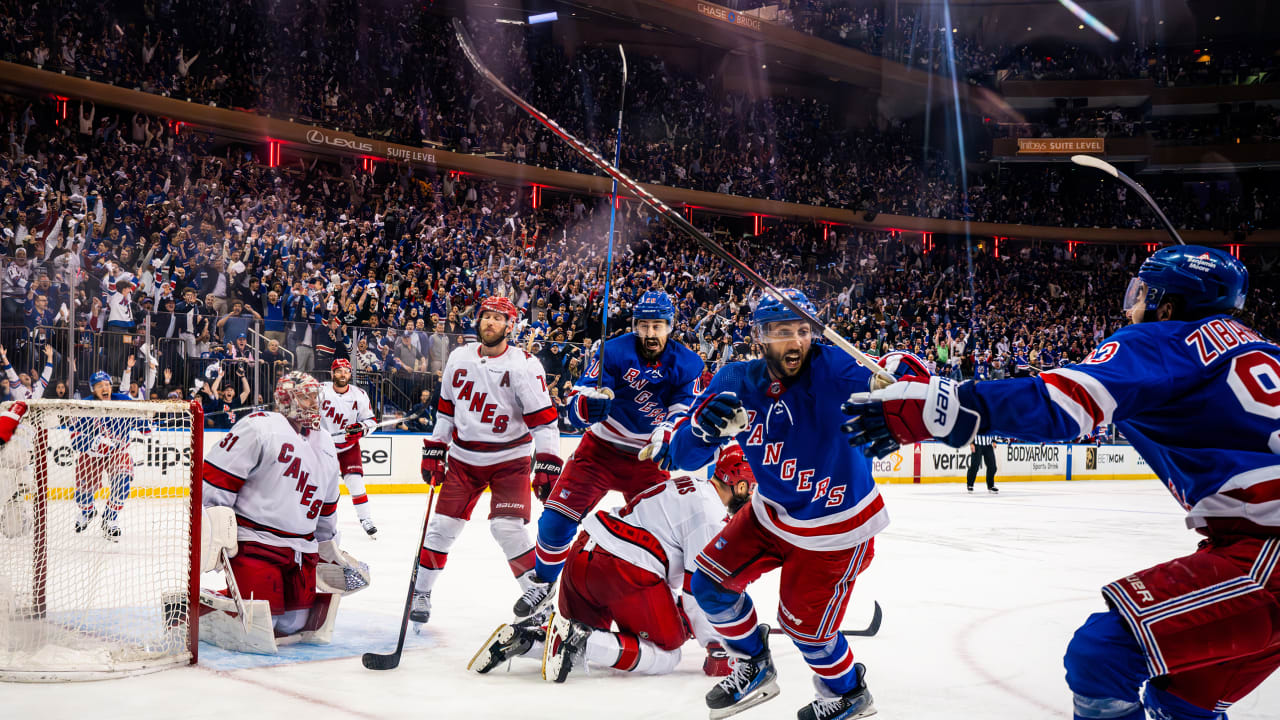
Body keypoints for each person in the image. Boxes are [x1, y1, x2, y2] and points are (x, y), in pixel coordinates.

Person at [842, 246, 1279, 720]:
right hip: (1249, 542)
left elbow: (1056, 404)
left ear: (1165, 304)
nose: (1131, 307)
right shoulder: (1260, 346)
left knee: (1102, 655)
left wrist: (938, 408)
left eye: (1141, 294)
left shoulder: (1162, 341)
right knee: (1181, 700)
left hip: (1267, 549)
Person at [654, 289, 926, 720]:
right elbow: (684, 458)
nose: (795, 341)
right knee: (708, 585)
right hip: (771, 514)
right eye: (782, 332)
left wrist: (903, 371)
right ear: (760, 337)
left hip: (837, 530)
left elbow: (892, 378)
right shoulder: (733, 381)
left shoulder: (832, 367)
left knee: (808, 631)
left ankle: (850, 692)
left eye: (803, 331)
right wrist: (703, 431)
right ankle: (753, 664)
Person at [468, 445, 755, 683]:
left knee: (588, 648)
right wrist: (715, 645)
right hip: (624, 572)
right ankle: (578, 638)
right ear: (739, 484)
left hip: (581, 560)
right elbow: (697, 593)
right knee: (668, 653)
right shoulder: (712, 516)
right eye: (752, 488)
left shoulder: (686, 484)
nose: (753, 496)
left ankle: (529, 641)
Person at [516, 290, 704, 624]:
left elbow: (683, 411)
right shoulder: (613, 350)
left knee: (660, 541)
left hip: (648, 458)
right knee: (554, 523)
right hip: (601, 449)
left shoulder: (687, 363)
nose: (650, 333)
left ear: (670, 327)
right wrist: (587, 406)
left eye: (657, 325)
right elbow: (580, 397)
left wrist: (666, 433)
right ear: (635, 325)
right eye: (644, 325)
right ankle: (543, 583)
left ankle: (662, 598)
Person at [411, 296, 562, 630]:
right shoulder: (459, 357)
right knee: (442, 528)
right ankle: (421, 593)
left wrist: (548, 463)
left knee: (506, 527)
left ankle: (537, 601)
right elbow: (446, 410)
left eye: (498, 318)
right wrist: (437, 447)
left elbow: (545, 422)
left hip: (510, 458)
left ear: (510, 326)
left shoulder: (524, 364)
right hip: (464, 460)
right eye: (486, 317)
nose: (490, 323)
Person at [201, 371, 369, 649]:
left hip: (301, 551)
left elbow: (327, 505)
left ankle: (237, 595)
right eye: (305, 397)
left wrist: (328, 548)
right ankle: (211, 602)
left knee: (294, 623)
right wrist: (216, 525)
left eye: (316, 397)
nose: (314, 404)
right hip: (257, 542)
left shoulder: (326, 442)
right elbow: (218, 478)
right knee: (266, 620)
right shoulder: (259, 427)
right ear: (285, 399)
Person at [71, 356, 155, 540]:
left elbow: (142, 424)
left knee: (122, 482)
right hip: (91, 455)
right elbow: (75, 440)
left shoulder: (122, 401)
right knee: (82, 495)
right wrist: (94, 443)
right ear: (93, 390)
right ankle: (88, 511)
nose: (105, 388)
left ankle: (110, 519)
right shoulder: (85, 406)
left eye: (107, 384)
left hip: (117, 452)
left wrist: (146, 425)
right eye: (99, 385)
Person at [319, 358, 379, 537]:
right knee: (318, 485)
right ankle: (313, 519)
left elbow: (371, 421)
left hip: (348, 446)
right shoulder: (321, 390)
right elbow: (304, 408)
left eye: (346, 371)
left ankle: (365, 518)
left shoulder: (359, 394)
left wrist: (360, 429)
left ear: (350, 374)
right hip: (323, 446)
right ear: (332, 373)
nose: (342, 374)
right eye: (338, 371)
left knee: (356, 482)